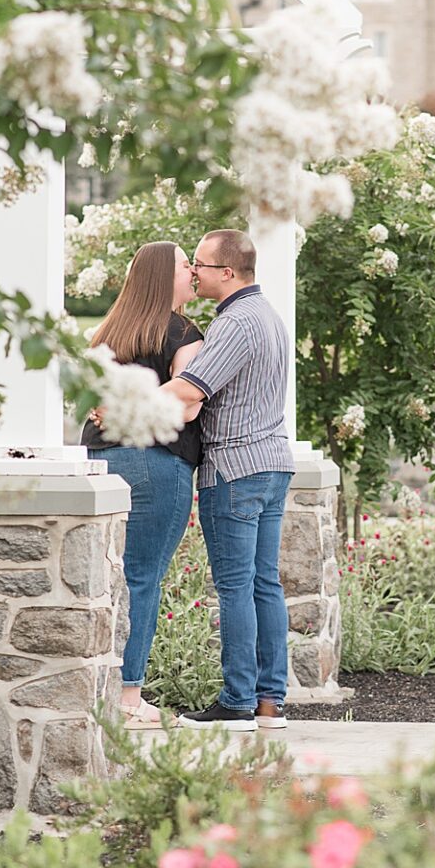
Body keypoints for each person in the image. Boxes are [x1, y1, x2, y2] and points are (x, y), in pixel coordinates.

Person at [160, 229, 295, 732]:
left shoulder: (236, 324)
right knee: (264, 585)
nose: (193, 272)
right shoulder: (270, 317)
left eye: (200, 264)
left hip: (234, 469)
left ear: (228, 273)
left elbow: (190, 388)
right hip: (272, 462)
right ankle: (269, 704)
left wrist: (120, 405)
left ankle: (237, 700)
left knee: (236, 587)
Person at [80, 241, 203, 729]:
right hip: (156, 462)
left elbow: (89, 398)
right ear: (161, 277)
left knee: (109, 581)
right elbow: (190, 404)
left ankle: (99, 690)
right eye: (184, 265)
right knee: (142, 578)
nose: (192, 270)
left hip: (101, 457)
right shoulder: (184, 332)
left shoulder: (106, 331)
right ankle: (129, 700)